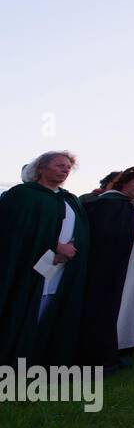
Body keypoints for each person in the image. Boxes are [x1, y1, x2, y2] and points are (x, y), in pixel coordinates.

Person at [0, 151, 89, 367]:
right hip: (26, 267)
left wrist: (71, 248)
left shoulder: (69, 199)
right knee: (21, 310)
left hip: (60, 266)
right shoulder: (22, 195)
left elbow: (82, 229)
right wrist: (55, 246)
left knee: (48, 309)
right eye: (60, 165)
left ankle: (38, 359)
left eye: (68, 167)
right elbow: (15, 230)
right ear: (41, 167)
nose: (65, 170)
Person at [81, 167, 134, 371]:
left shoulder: (126, 204)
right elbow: (103, 236)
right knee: (102, 310)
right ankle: (97, 360)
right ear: (123, 182)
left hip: (119, 266)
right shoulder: (110, 203)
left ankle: (109, 355)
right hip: (105, 268)